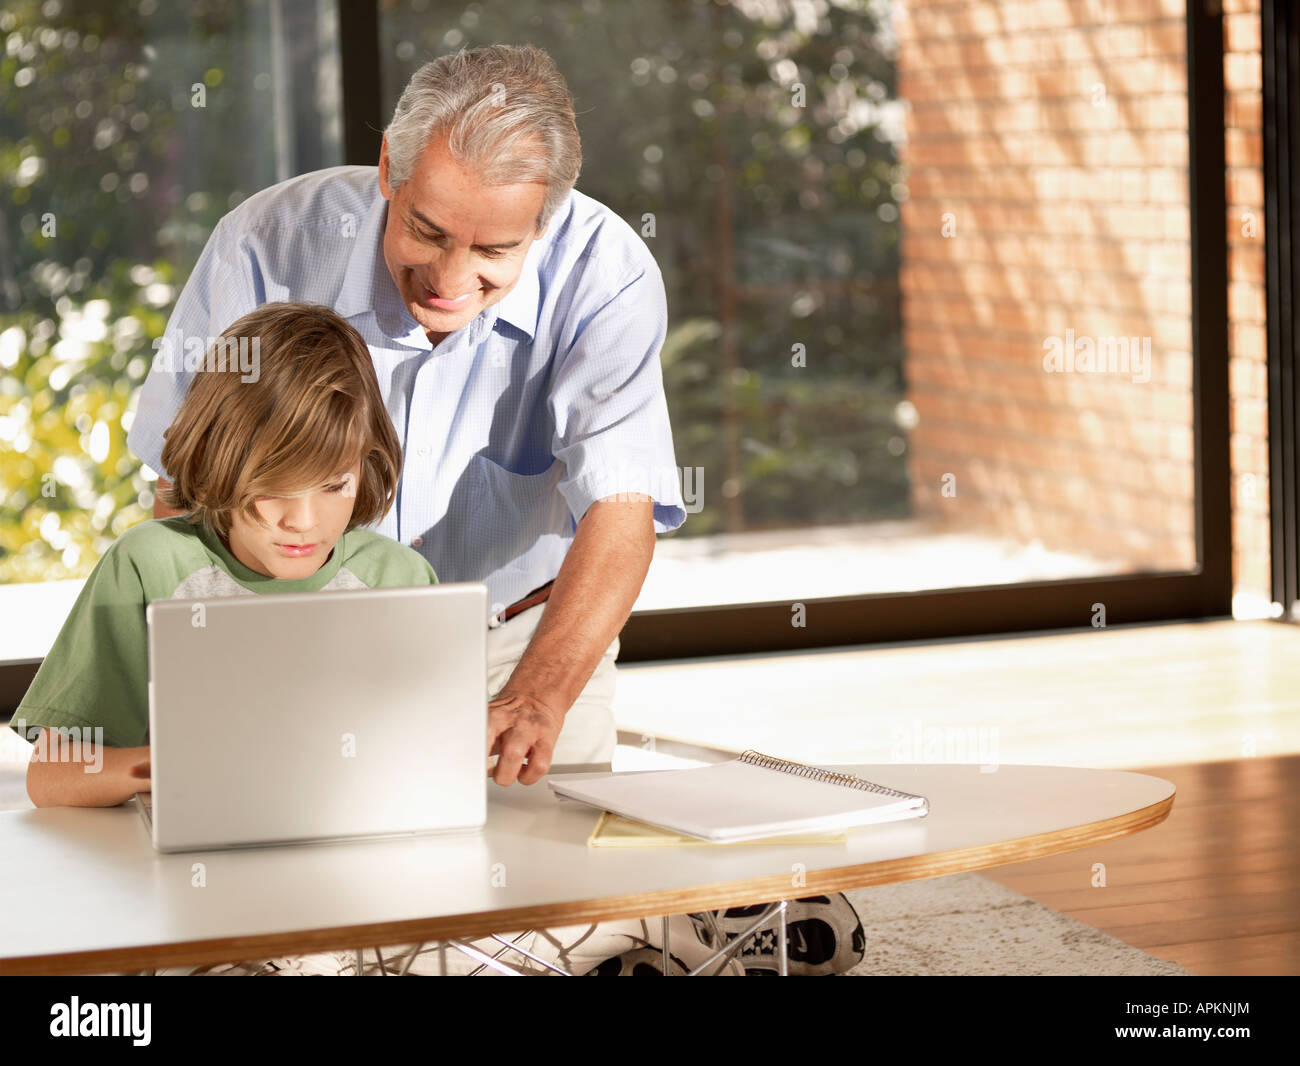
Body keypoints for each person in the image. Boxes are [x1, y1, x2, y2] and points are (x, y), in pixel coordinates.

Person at [119, 43, 864, 975]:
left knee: (545, 900)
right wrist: (199, 666)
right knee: (295, 910)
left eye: (495, 251)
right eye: (427, 231)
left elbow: (621, 508)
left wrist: (539, 692)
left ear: (546, 223)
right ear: (389, 167)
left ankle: (691, 930)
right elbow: (182, 479)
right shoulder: (266, 243)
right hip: (298, 635)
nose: (449, 279)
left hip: (519, 635)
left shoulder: (609, 275)